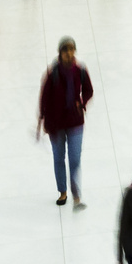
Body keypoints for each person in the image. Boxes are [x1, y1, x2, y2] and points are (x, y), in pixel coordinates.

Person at [38, 37, 94, 209]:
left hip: (75, 120)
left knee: (75, 159)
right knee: (59, 158)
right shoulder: (52, 72)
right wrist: (43, 120)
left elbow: (89, 90)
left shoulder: (81, 70)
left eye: (71, 50)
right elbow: (44, 98)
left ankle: (76, 194)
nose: (69, 53)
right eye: (65, 50)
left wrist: (82, 103)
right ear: (60, 53)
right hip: (56, 123)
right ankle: (63, 191)